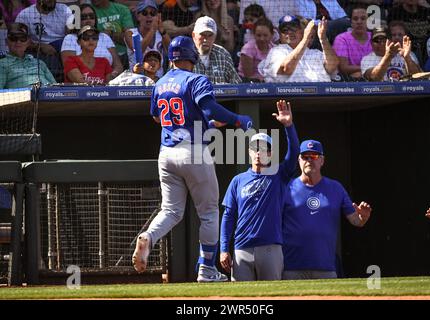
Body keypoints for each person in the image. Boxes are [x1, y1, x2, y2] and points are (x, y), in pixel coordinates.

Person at [131, 36, 253, 282]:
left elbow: (158, 118)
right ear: (192, 56)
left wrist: (202, 121)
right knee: (208, 213)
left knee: (171, 210)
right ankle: (206, 270)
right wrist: (238, 120)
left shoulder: (161, 82)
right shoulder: (197, 79)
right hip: (193, 151)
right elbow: (211, 109)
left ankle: (150, 237)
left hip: (166, 154)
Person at [220, 100, 300, 281]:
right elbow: (228, 216)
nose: (259, 152)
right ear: (249, 152)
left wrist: (288, 125)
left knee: (272, 295)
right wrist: (224, 248)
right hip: (242, 248)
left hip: (270, 247)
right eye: (255, 148)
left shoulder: (279, 174)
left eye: (264, 148)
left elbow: (294, 153)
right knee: (241, 300)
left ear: (270, 154)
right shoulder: (238, 181)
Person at [282, 139, 372, 280]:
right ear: (299, 160)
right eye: (306, 157)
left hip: (325, 268)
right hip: (292, 267)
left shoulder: (336, 188)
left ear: (322, 160)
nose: (309, 160)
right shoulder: (287, 187)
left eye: (315, 156)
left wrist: (363, 218)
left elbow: (356, 221)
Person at [258, 15, 339, 83]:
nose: (289, 32)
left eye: (293, 28)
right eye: (285, 30)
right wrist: (305, 39)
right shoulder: (276, 51)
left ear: (302, 31)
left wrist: (323, 38)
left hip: (323, 96)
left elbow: (333, 67)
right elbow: (286, 69)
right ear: (280, 35)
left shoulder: (315, 53)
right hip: (292, 97)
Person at [61, 3, 123, 79]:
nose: (88, 19)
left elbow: (118, 66)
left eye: (91, 16)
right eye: (84, 17)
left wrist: (111, 76)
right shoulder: (70, 38)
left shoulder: (104, 37)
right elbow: (70, 67)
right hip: (81, 81)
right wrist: (92, 80)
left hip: (108, 80)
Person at [0, 22, 55, 89]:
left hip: (48, 96)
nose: (18, 42)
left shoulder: (39, 62)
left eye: (22, 38)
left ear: (28, 42)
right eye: (13, 38)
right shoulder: (2, 64)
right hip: (22, 98)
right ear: (6, 42)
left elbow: (55, 85)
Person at [124, 0, 170, 76]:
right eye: (145, 13)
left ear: (157, 16)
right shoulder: (130, 33)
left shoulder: (161, 33)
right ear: (138, 16)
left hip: (157, 81)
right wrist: (152, 30)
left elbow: (170, 51)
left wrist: (162, 31)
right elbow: (138, 51)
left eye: (153, 13)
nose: (149, 16)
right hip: (137, 80)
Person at [192, 15, 241, 84]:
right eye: (202, 35)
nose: (206, 39)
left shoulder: (222, 54)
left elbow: (236, 84)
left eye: (210, 35)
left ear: (215, 36)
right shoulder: (185, 54)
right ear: (194, 35)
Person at [91, 0, 135, 68]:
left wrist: (110, 34)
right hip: (102, 56)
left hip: (125, 56)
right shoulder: (89, 12)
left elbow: (130, 39)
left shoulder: (122, 9)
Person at [333, 5, 372, 80]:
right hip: (349, 80)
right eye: (355, 19)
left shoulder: (374, 38)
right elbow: (343, 68)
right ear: (351, 22)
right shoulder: (341, 39)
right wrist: (367, 70)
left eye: (363, 19)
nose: (359, 22)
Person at [238, 17, 275, 82]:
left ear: (272, 35)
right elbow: (248, 76)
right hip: (247, 82)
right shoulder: (248, 49)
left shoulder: (275, 49)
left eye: (265, 35)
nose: (262, 39)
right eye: (258, 35)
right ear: (254, 35)